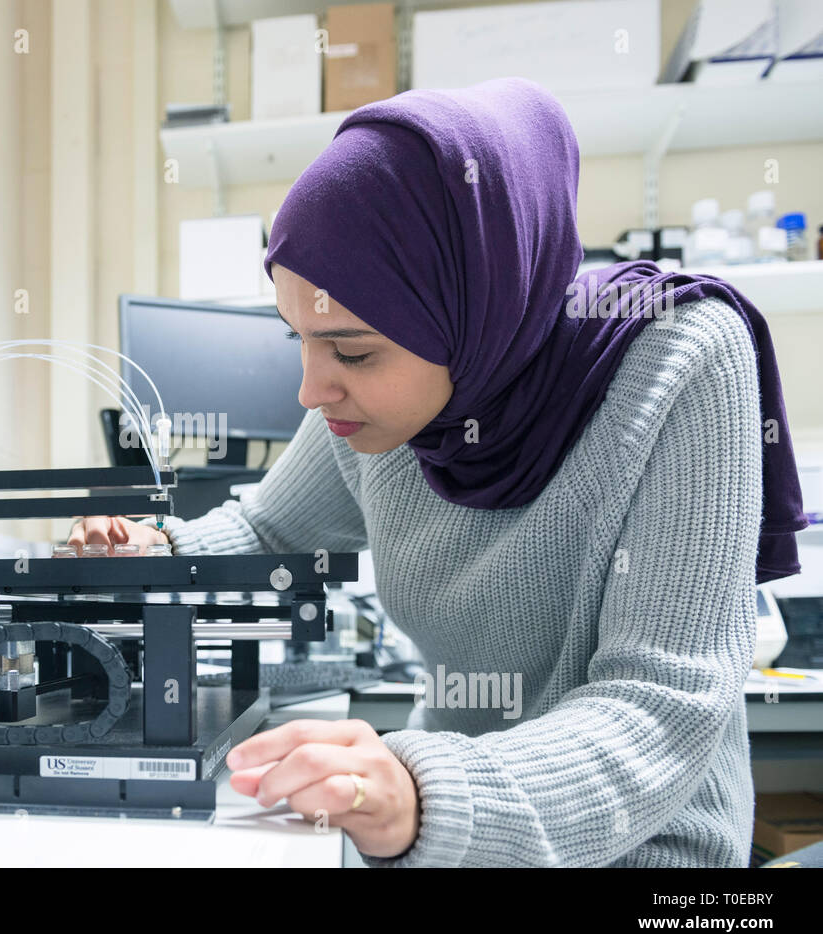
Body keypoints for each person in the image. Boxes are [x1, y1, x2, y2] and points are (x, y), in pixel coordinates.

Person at [68, 77, 807, 867]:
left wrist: (422, 795)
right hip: (453, 837)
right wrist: (153, 549)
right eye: (300, 341)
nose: (311, 392)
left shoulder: (680, 356)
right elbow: (269, 529)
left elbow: (658, 708)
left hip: (643, 852)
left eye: (352, 351)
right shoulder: (380, 414)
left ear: (469, 309)